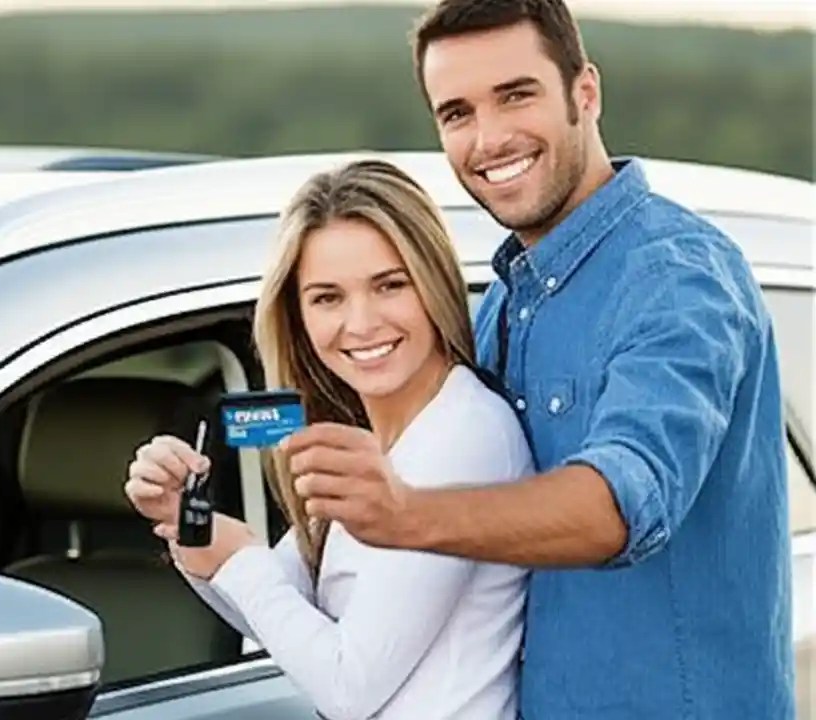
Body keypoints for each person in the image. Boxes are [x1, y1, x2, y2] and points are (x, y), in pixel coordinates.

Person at [286, 1, 794, 718]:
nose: (489, 138)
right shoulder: (502, 303)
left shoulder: (677, 278)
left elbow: (622, 502)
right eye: (457, 113)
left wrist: (405, 515)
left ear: (585, 92)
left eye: (515, 95)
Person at [125, 159, 535, 720]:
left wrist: (239, 559)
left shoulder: (463, 437)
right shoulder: (373, 437)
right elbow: (280, 616)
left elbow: (348, 687)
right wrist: (191, 528)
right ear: (297, 314)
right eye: (327, 298)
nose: (361, 323)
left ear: (434, 283)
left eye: (389, 285)